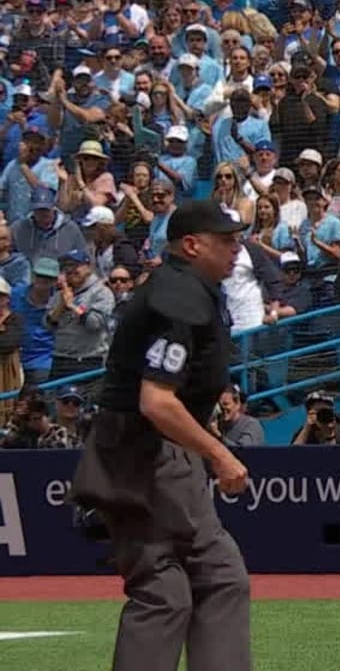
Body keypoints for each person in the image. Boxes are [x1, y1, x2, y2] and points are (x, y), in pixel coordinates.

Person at [67, 198, 252, 671]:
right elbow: (156, 401)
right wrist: (218, 454)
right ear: (191, 245)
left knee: (212, 578)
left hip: (149, 451)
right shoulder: (179, 297)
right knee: (166, 589)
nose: (237, 249)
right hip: (143, 456)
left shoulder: (186, 287)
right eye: (226, 241)